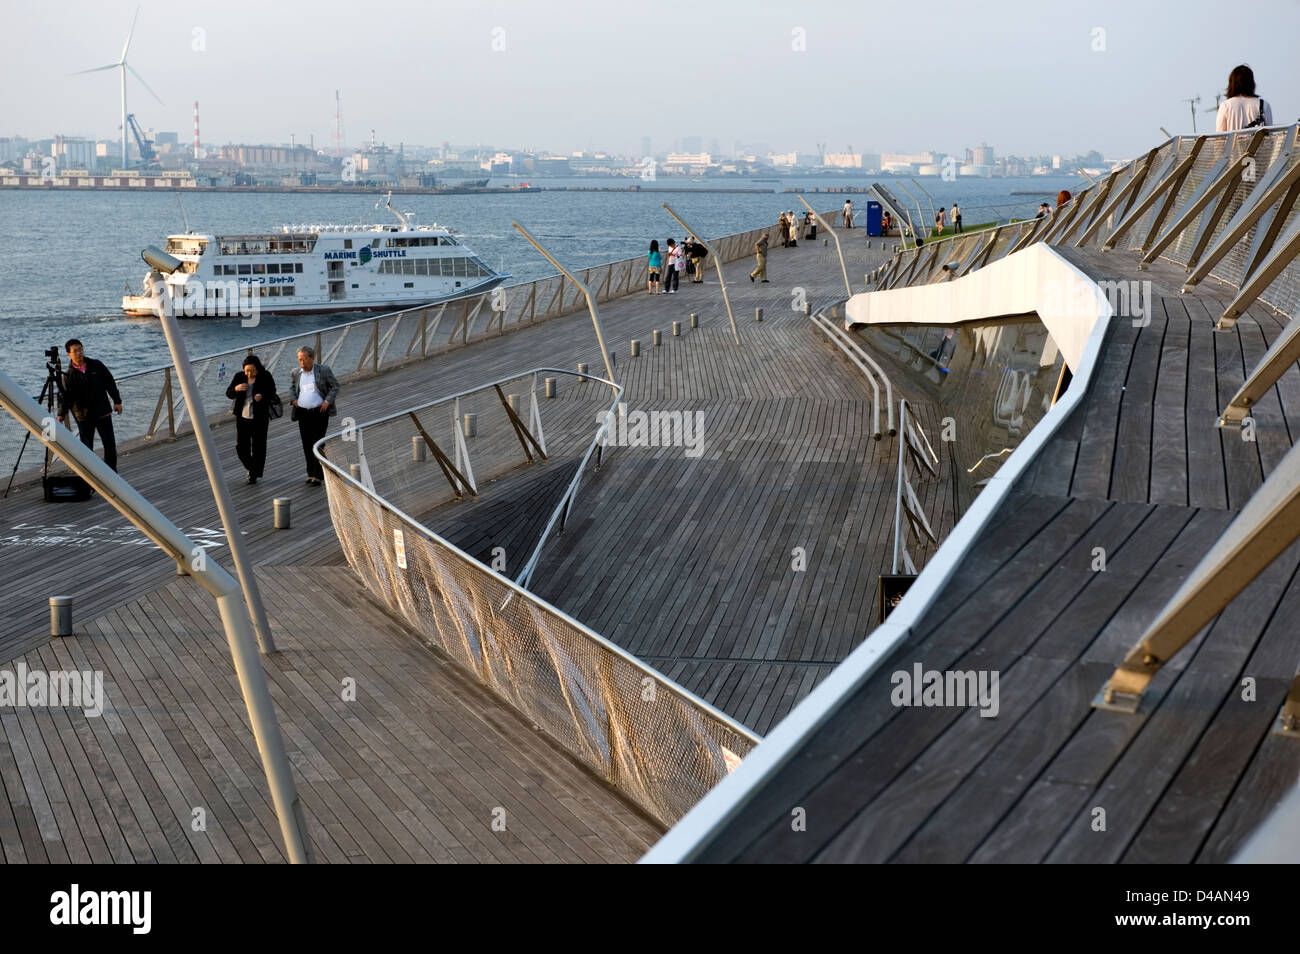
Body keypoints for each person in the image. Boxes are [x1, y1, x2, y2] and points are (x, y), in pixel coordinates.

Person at [56, 338, 122, 472]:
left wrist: (117, 401)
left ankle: (112, 474)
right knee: (87, 449)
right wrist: (61, 414)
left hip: (103, 412)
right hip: (84, 417)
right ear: (69, 354)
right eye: (75, 351)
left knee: (110, 445)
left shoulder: (96, 365)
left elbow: (109, 382)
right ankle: (91, 475)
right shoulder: (68, 375)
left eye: (80, 349)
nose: (79, 353)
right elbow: (64, 396)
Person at [290, 345, 339, 486]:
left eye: (304, 359)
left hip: (319, 412)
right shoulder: (296, 372)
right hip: (303, 413)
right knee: (306, 443)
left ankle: (318, 475)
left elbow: (335, 386)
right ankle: (310, 473)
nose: (302, 362)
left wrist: (327, 401)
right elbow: (292, 387)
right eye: (299, 359)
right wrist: (293, 399)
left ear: (312, 358)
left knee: (318, 442)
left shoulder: (323, 370)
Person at [225, 354, 277, 485]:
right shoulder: (239, 376)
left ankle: (253, 475)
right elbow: (229, 393)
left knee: (259, 446)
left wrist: (262, 396)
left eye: (252, 370)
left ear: (258, 368)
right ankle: (252, 469)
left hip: (260, 417)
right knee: (241, 447)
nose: (249, 373)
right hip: (243, 416)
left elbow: (272, 393)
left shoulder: (265, 376)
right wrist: (236, 388)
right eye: (247, 370)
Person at [1216, 64, 1273, 132]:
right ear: (1251, 83)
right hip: (1256, 139)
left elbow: (1220, 136)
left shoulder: (1225, 106)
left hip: (1233, 139)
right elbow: (1270, 134)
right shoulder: (1264, 105)